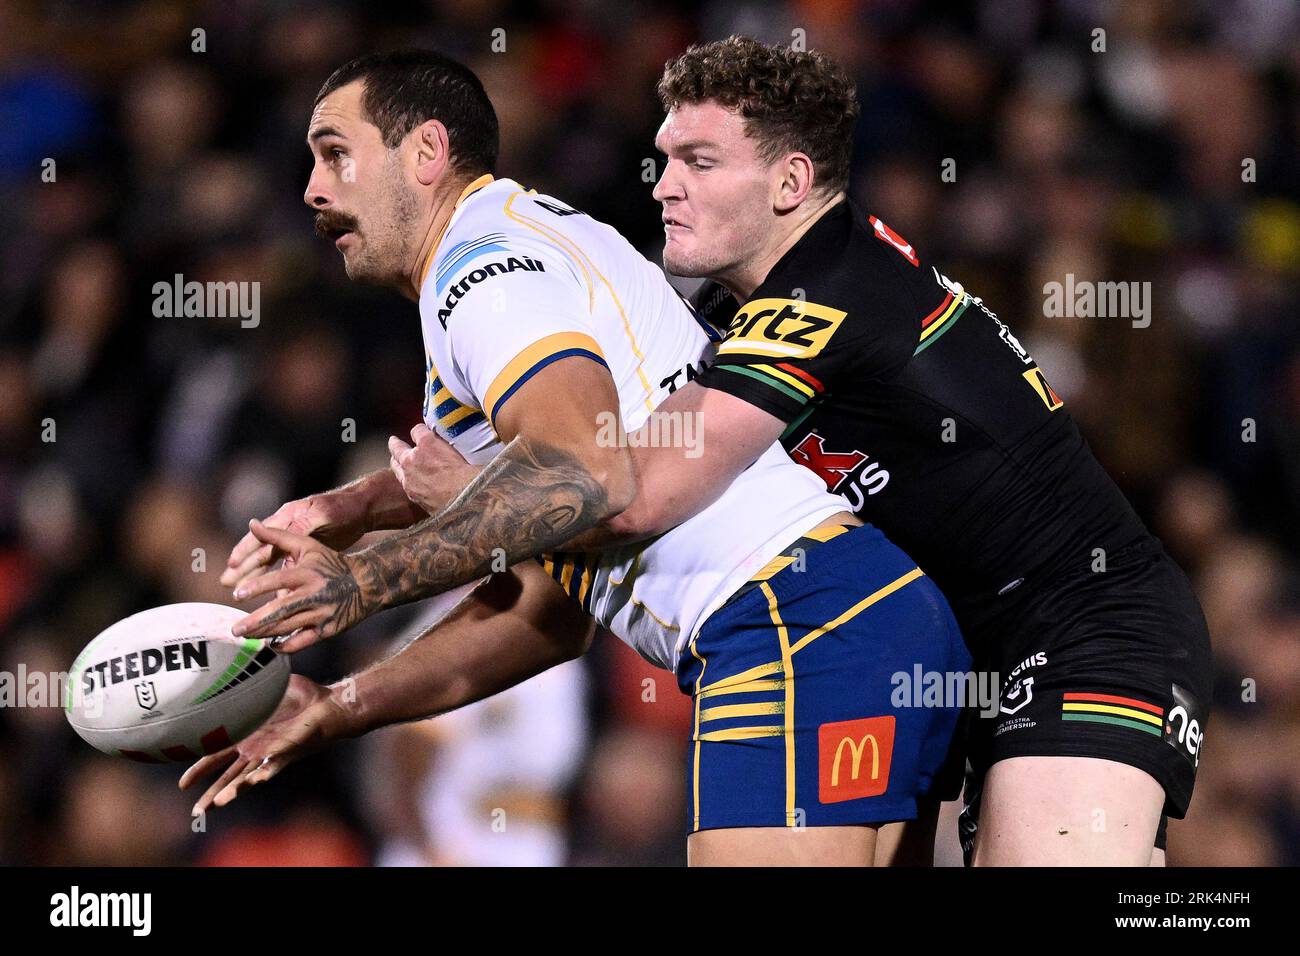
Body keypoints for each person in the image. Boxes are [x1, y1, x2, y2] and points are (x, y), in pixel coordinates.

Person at [395, 36, 1209, 866]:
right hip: (948, 652)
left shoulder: (821, 298)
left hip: (1085, 625)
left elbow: (632, 496)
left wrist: (474, 489)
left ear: (789, 184)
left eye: (701, 162)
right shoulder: (740, 303)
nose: (666, 185)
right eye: (665, 158)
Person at [191, 49, 970, 866]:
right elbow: (545, 614)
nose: (314, 188)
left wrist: (363, 581)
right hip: (862, 611)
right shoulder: (530, 246)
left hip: (786, 620)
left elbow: (588, 476)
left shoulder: (479, 274)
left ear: (426, 154)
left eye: (336, 153)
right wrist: (341, 701)